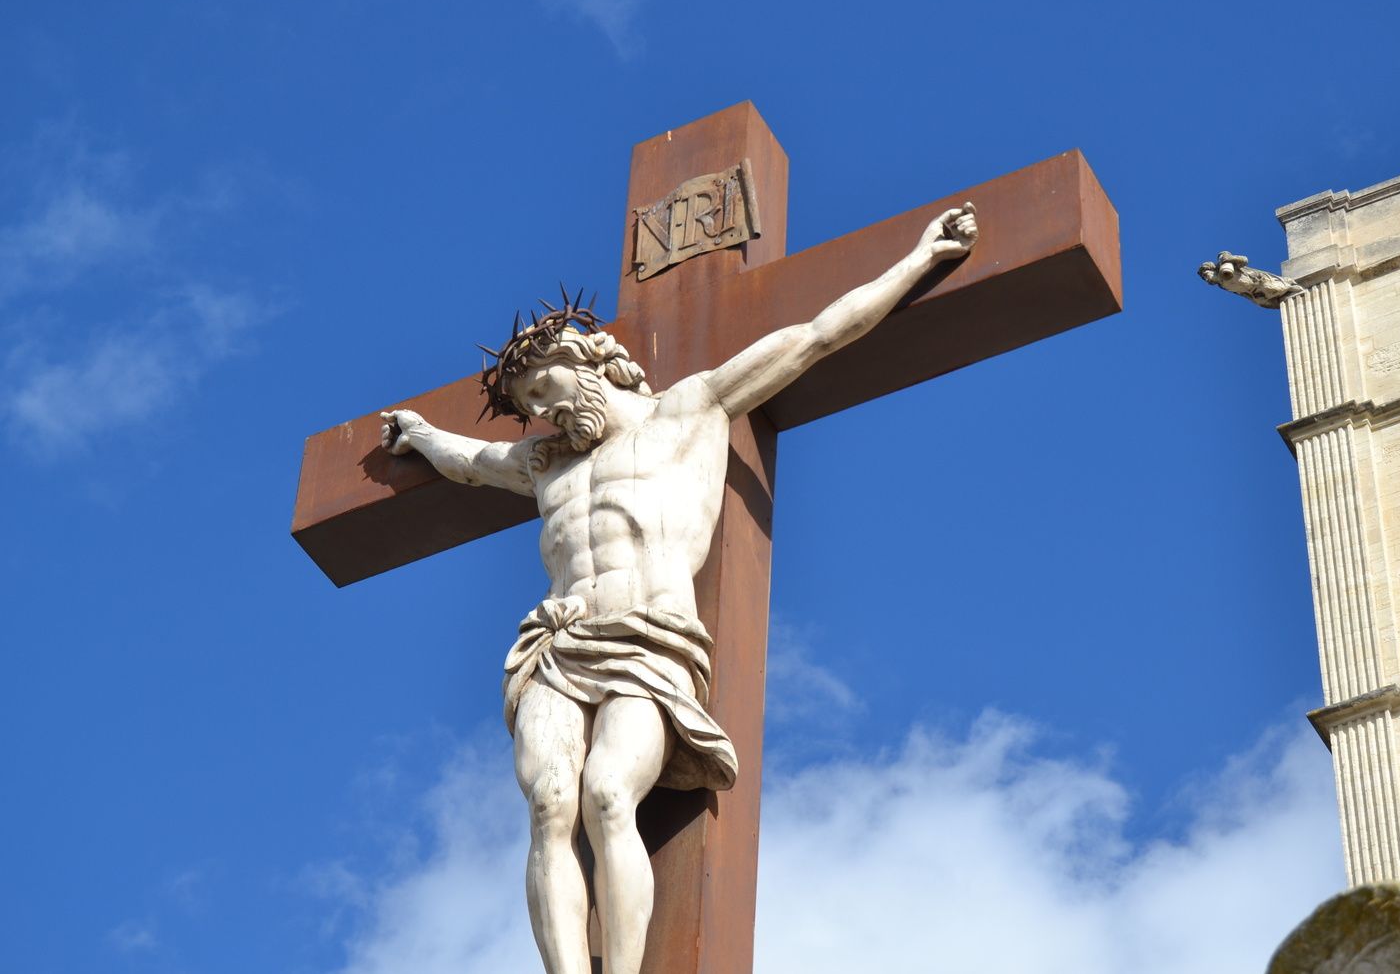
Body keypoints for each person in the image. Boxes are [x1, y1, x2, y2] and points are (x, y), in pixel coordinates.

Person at [379, 202, 978, 974]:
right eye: (528, 405)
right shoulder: (543, 464)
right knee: (551, 800)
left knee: (607, 792)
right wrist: (421, 433)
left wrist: (920, 259)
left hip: (647, 637)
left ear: (589, 357)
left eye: (545, 388)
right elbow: (468, 460)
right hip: (556, 645)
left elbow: (817, 336)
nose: (542, 411)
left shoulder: (690, 410)